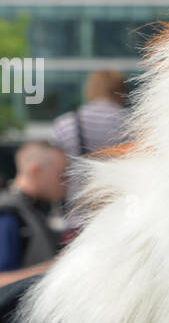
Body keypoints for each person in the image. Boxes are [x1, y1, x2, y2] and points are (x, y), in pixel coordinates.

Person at [51, 69, 127, 227]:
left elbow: (55, 174)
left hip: (77, 219)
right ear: (121, 90)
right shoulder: (131, 123)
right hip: (121, 219)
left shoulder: (65, 124)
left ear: (89, 89)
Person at [0, 141, 67, 287]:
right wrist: (56, 268)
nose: (66, 183)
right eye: (61, 175)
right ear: (36, 171)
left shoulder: (30, 208)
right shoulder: (8, 214)